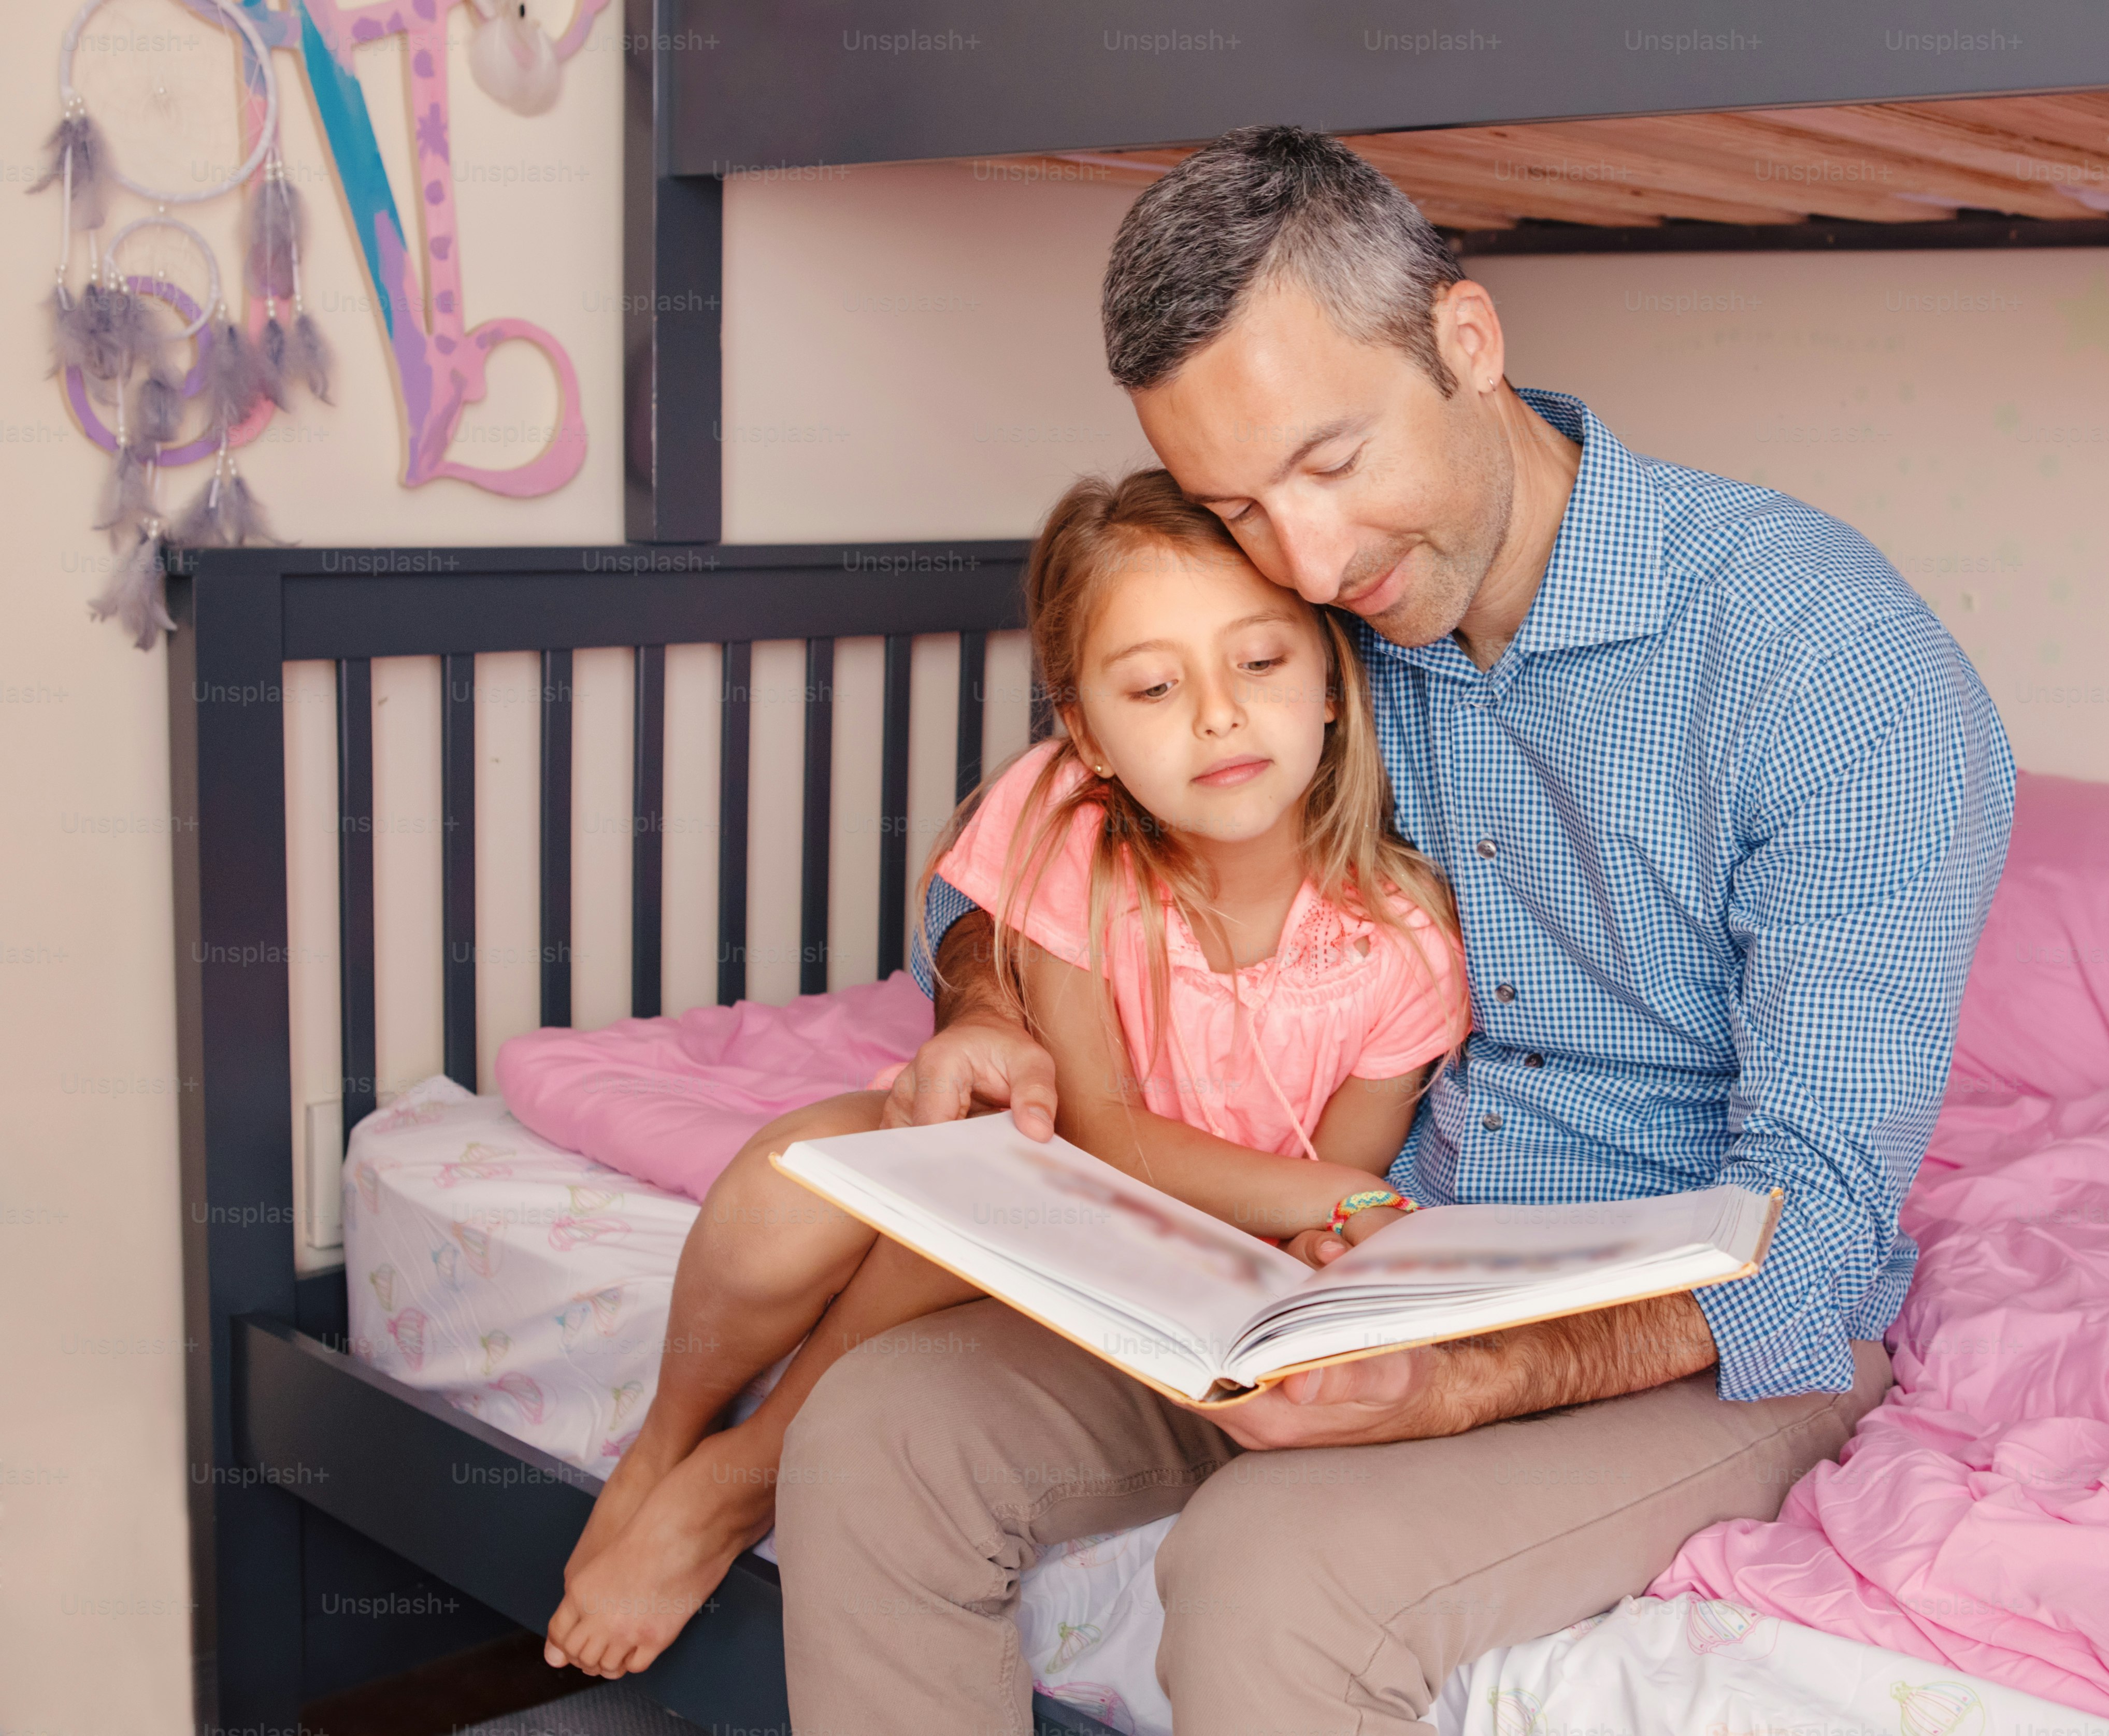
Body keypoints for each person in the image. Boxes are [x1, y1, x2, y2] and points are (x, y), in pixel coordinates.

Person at [774, 126, 2018, 1734]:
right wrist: (986, 1000)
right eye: (1238, 506)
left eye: (1327, 463)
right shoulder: (1323, 621)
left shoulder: (1828, 671)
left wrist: (1462, 1380)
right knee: (879, 1434)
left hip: (1681, 1330)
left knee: (1270, 1574)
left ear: (1466, 342)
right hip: (1357, 1266)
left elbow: (1821, 1222)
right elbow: (1052, 822)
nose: (1304, 561)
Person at [540, 468, 1468, 1678]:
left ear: (1335, 687)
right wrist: (1329, 1201)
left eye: (1261, 663)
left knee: (990, 1178)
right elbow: (1096, 1133)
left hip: (1173, 1265)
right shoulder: (1069, 834)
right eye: (1152, 684)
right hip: (1055, 1176)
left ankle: (745, 1467)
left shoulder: (1400, 943)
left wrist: (1334, 1206)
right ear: (1083, 729)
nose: (1219, 717)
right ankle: (676, 1447)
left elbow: (1335, 1179)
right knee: (803, 1175)